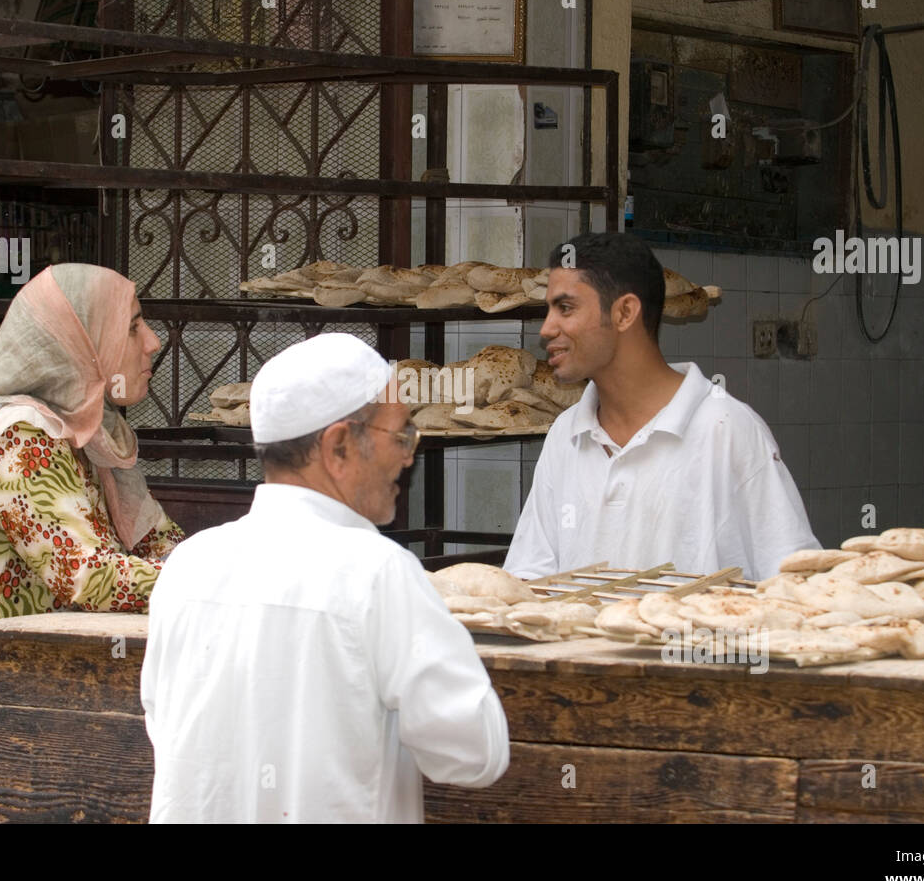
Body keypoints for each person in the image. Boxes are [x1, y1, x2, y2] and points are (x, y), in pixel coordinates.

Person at [141, 332, 509, 823]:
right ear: (338, 445)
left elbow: (165, 724)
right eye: (400, 434)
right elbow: (474, 754)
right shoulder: (379, 573)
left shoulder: (189, 565)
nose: (408, 455)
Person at [0, 263, 185, 824]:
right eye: (133, 325)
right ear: (86, 342)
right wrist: (228, 581)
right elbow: (89, 575)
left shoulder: (86, 434)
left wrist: (237, 565)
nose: (153, 342)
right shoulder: (21, 437)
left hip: (30, 699)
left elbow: (158, 542)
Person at [503, 232, 818, 583]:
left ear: (624, 312)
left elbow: (793, 581)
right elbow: (531, 575)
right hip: (580, 641)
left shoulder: (726, 428)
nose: (547, 329)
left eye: (565, 308)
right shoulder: (567, 432)